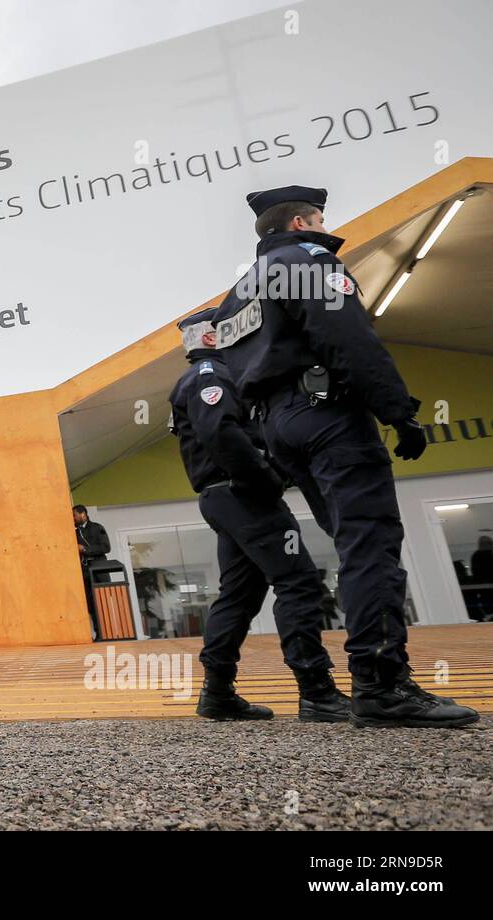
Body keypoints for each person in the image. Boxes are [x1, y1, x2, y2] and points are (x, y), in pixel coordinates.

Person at [210, 184, 478, 727]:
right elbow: (350, 339)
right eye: (322, 218)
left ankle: (371, 682)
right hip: (328, 414)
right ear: (305, 224)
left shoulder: (238, 294)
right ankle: (382, 685)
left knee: (353, 542)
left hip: (280, 424)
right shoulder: (309, 262)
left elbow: (234, 375)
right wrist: (397, 411)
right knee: (370, 542)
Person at [169, 310, 349, 722]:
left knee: (240, 594)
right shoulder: (211, 375)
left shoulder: (208, 375)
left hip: (227, 497)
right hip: (244, 495)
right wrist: (267, 479)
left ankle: (217, 692)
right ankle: (317, 691)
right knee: (299, 582)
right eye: (234, 329)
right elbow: (222, 433)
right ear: (213, 339)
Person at [73, 505, 109, 637]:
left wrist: (85, 550)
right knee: (91, 604)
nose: (73, 518)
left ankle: (107, 633)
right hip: (85, 570)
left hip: (99, 569)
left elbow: (106, 547)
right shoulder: (75, 532)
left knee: (102, 601)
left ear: (83, 514)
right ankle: (99, 634)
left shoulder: (97, 528)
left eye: (75, 515)